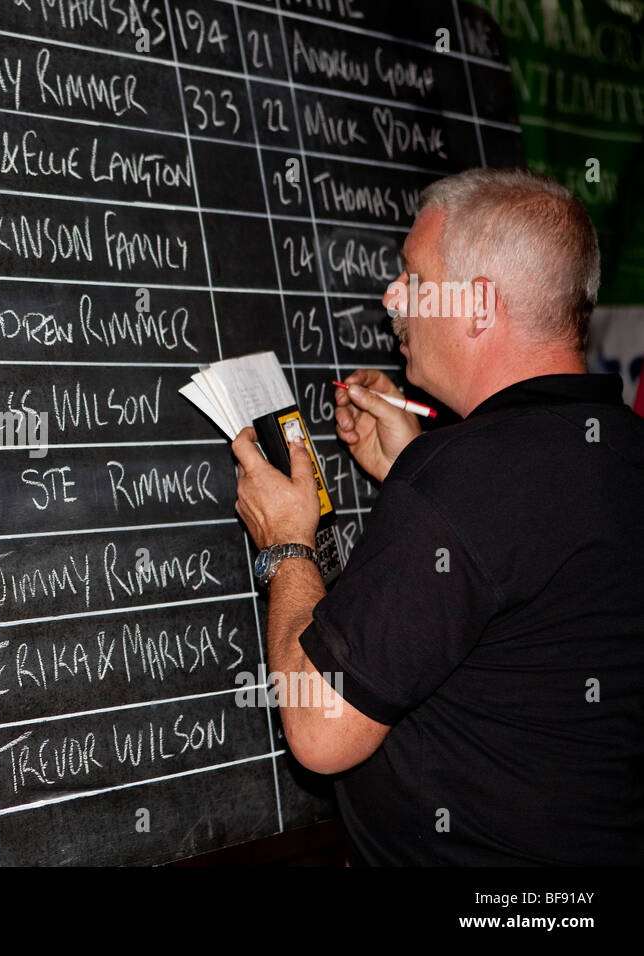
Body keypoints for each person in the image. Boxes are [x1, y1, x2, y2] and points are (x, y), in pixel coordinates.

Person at [230, 167, 644, 865]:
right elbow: (526, 563)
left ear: (478, 306)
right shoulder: (616, 449)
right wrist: (409, 467)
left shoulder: (465, 476)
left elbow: (319, 729)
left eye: (414, 280)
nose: (392, 298)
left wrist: (287, 543)